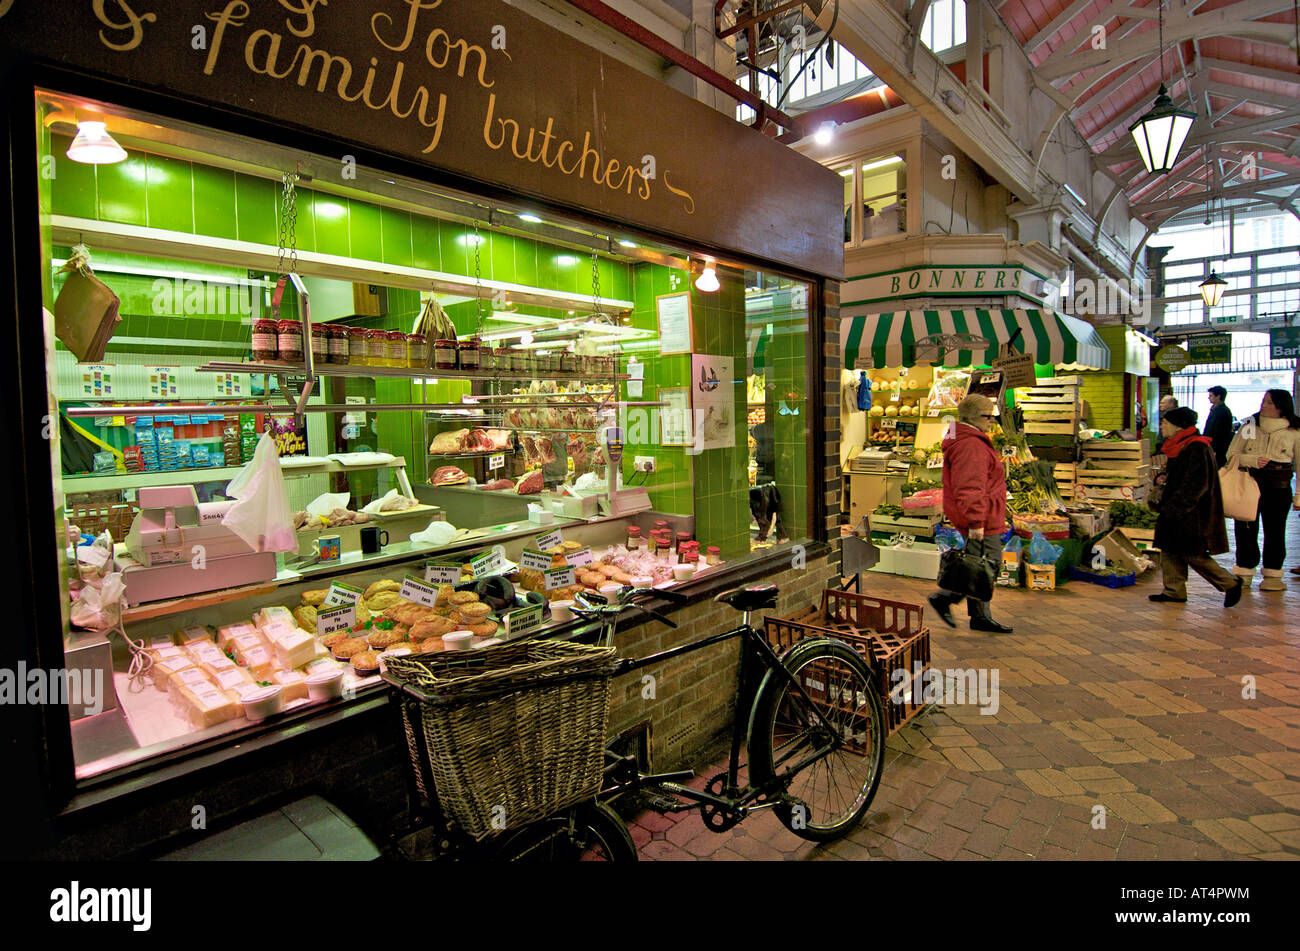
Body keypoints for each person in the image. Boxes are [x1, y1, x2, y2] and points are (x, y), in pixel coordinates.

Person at [929, 394, 1012, 634]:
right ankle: (945, 598)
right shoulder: (971, 444)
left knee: (979, 564)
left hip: (985, 514)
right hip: (981, 518)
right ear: (973, 417)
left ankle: (980, 615)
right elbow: (969, 486)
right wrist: (976, 521)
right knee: (987, 564)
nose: (991, 421)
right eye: (988, 416)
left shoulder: (968, 438)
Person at [1149, 407, 1243, 607]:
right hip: (1176, 509)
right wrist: (1163, 478)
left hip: (1191, 513)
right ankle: (1174, 590)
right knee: (1169, 549)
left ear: (1178, 426)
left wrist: (1176, 507)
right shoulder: (1179, 445)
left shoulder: (1197, 447)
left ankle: (1230, 583)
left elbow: (1196, 484)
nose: (1162, 426)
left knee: (1193, 553)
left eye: (1166, 422)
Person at [1225, 389, 1300, 592]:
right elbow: (1232, 453)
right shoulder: (1250, 425)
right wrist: (1251, 460)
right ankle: (1244, 570)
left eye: (1268, 402)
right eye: (1263, 401)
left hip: (1279, 486)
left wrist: (1298, 495)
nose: (1263, 405)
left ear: (1281, 406)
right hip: (1249, 484)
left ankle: (1273, 573)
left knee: (1276, 530)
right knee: (1245, 528)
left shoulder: (1295, 430)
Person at [1203, 386, 1234, 468]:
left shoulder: (1223, 411)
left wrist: (1214, 448)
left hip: (1217, 449)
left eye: (1211, 396)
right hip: (1210, 445)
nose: (1209, 398)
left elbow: (1221, 433)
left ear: (1218, 396)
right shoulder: (1215, 409)